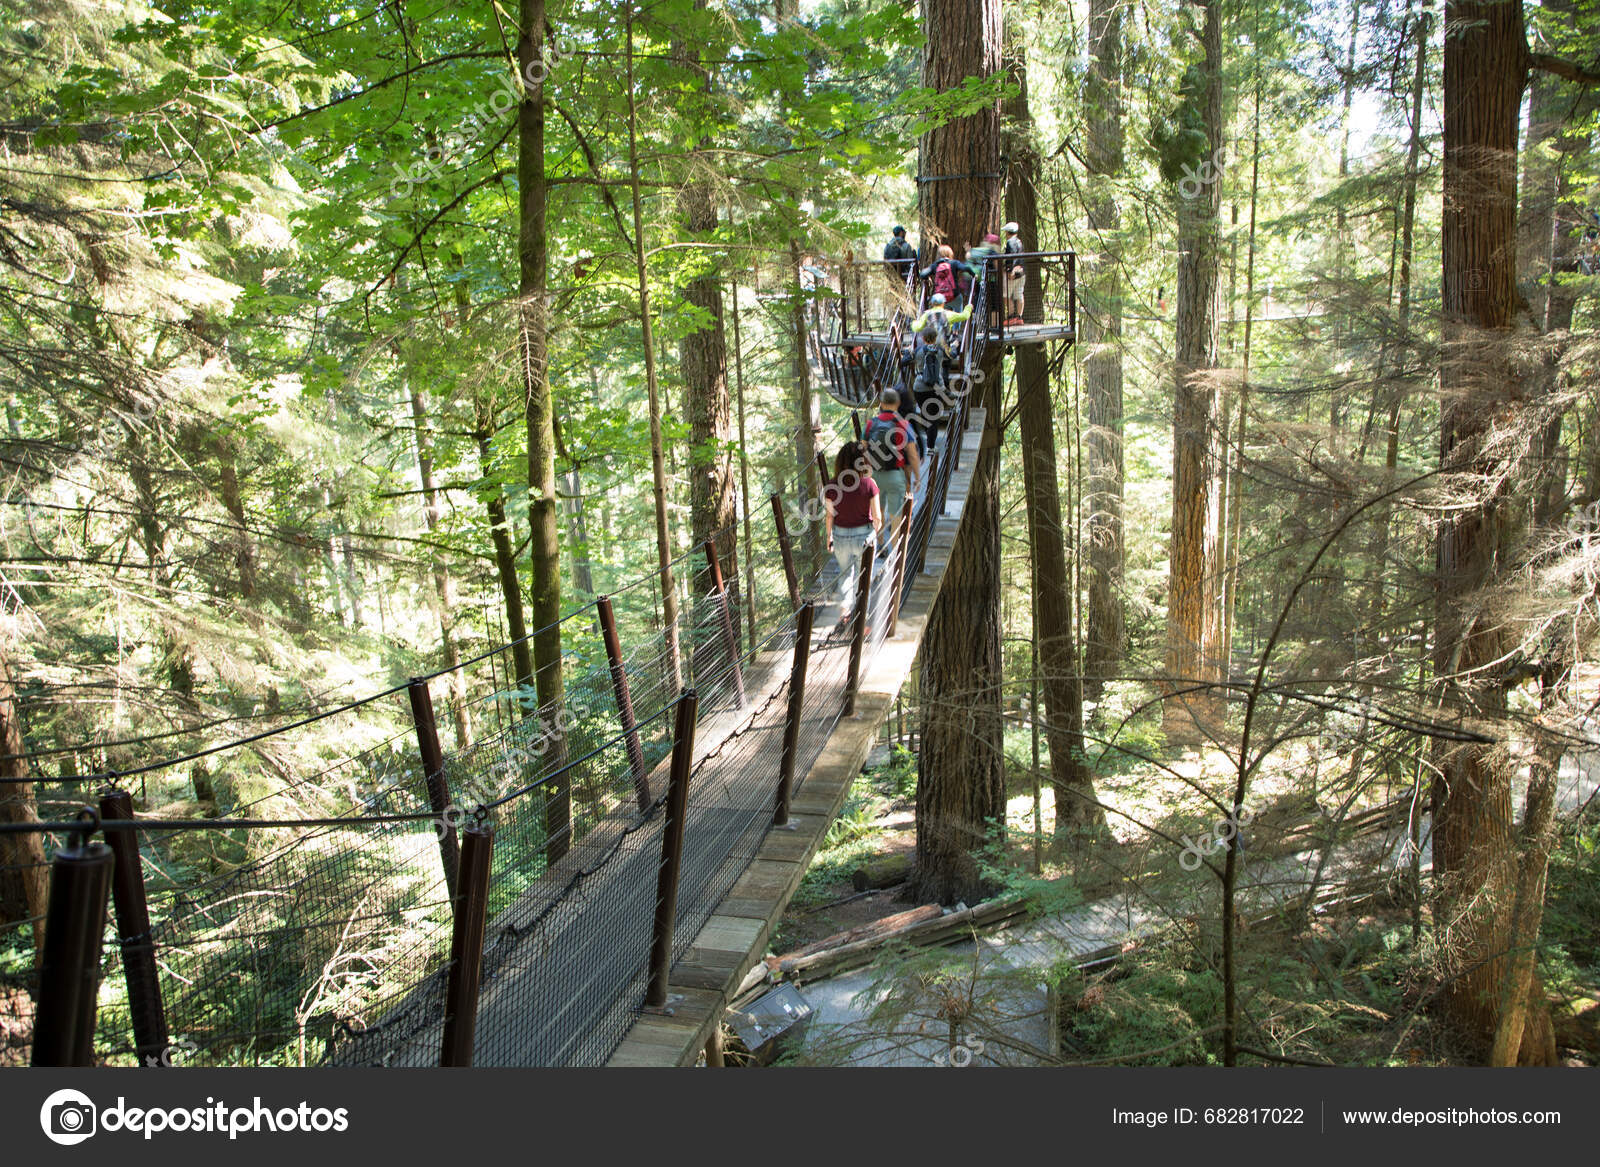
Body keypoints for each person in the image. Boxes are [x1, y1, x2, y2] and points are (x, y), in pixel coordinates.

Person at [824, 441, 882, 624]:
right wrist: (875, 532)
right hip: (864, 537)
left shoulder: (831, 487)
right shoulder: (869, 484)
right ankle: (862, 618)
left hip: (840, 536)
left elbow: (829, 516)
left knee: (845, 574)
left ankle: (844, 612)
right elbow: (878, 517)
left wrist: (829, 537)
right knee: (864, 575)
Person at [864, 388, 920, 550]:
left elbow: (862, 450)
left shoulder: (870, 424)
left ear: (881, 404)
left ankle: (879, 545)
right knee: (896, 514)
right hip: (896, 475)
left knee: (877, 511)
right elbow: (913, 454)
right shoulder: (904, 424)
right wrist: (917, 477)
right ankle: (895, 551)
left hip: (874, 476)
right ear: (898, 404)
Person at [919, 245, 975, 312]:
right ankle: (957, 322)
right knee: (958, 316)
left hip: (941, 298)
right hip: (955, 296)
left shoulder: (935, 265)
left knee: (943, 318)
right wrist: (973, 275)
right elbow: (966, 268)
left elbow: (922, 274)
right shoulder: (954, 263)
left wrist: (927, 278)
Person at [1002, 222, 1025, 325]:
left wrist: (1009, 271)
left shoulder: (1010, 242)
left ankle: (1011, 316)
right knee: (1019, 293)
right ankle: (1019, 317)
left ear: (1008, 232)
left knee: (1006, 295)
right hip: (1021, 272)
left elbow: (1011, 258)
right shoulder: (1019, 242)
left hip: (1013, 273)